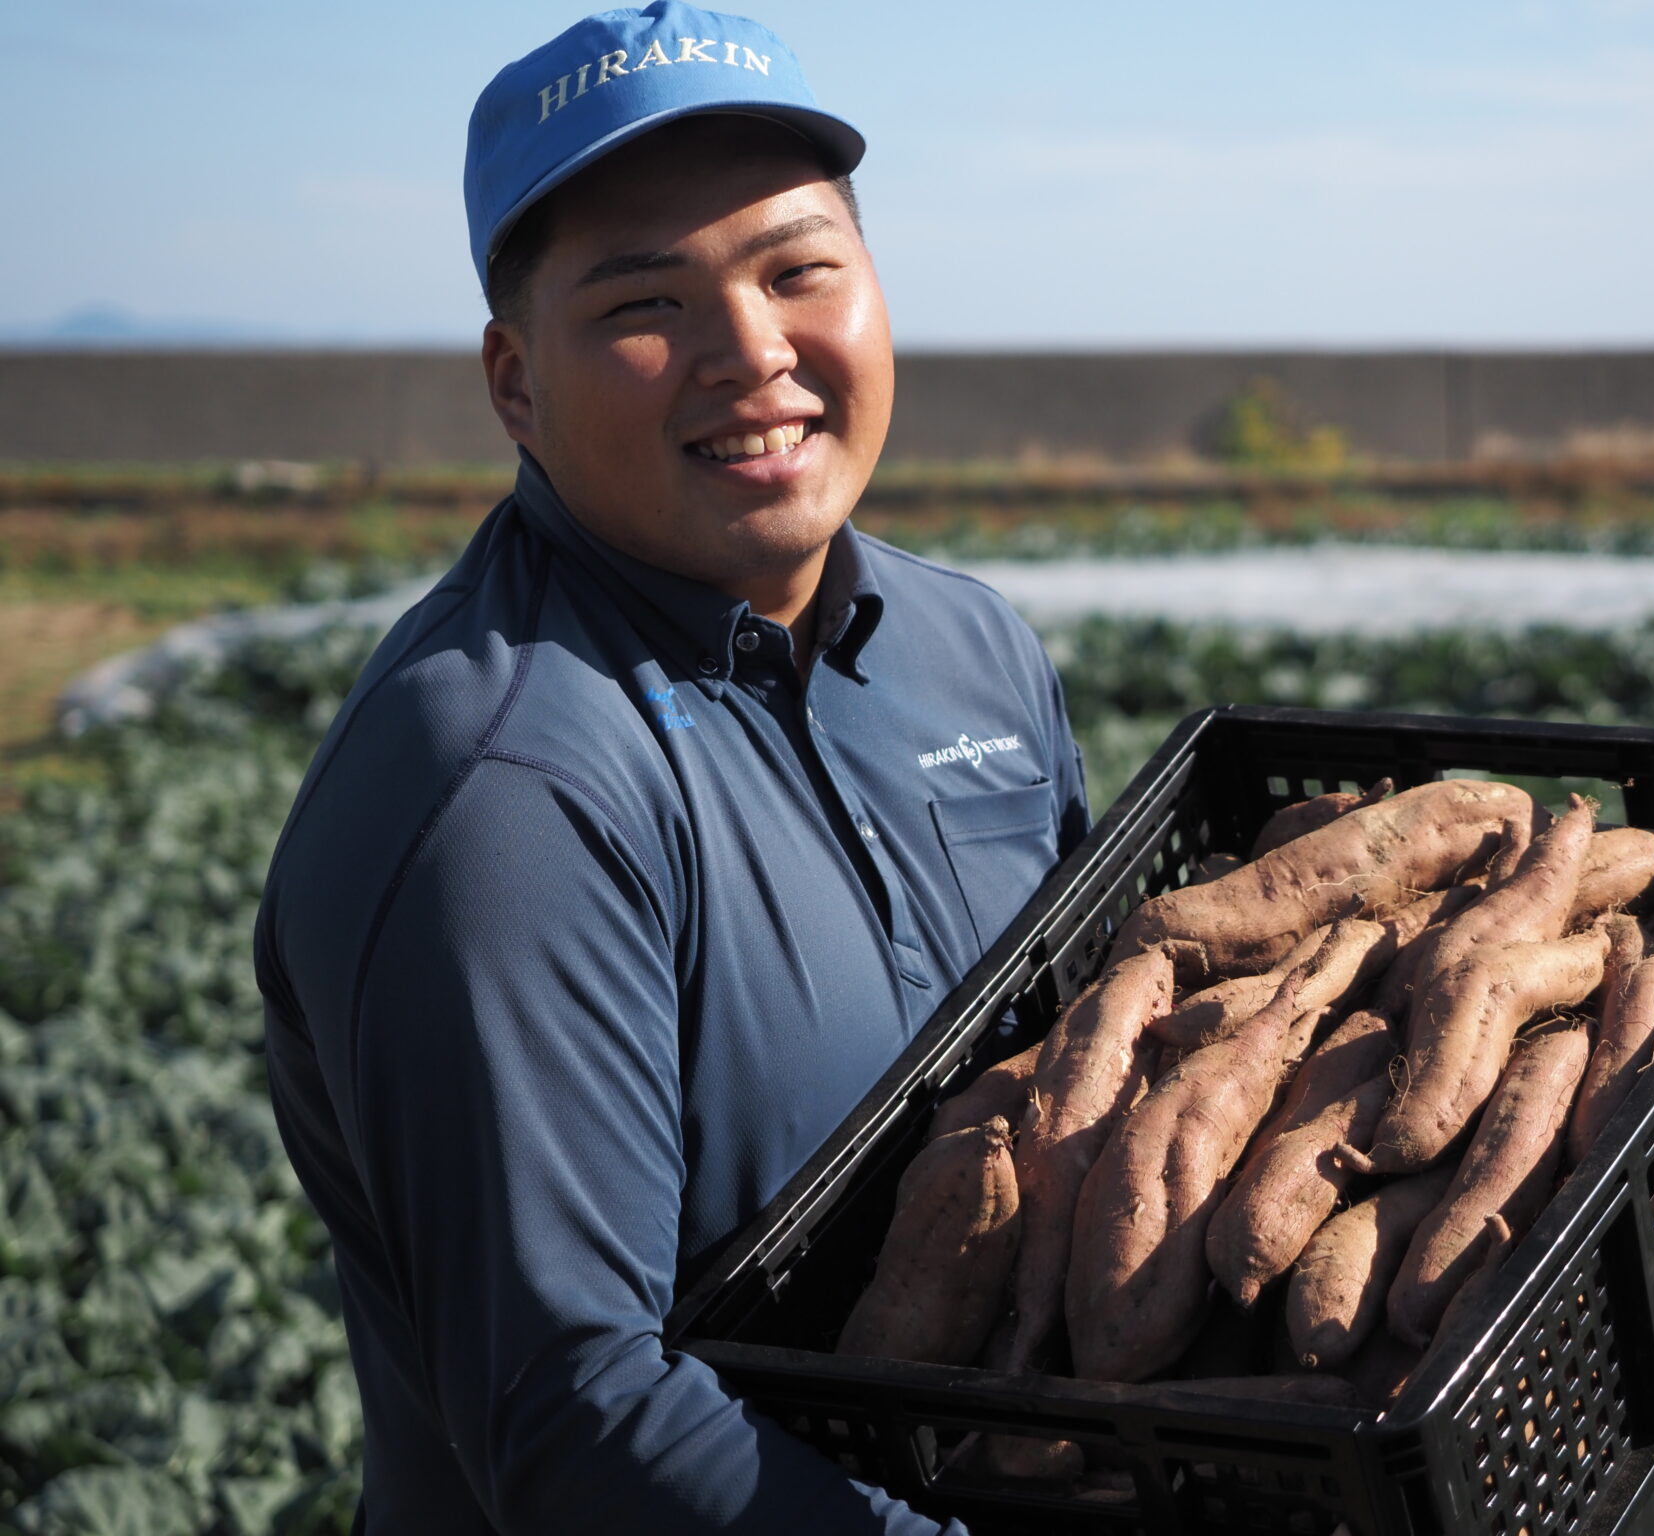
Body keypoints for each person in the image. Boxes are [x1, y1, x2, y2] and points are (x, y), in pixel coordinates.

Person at [254, 4, 1088, 1530]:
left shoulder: (973, 655)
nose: (754, 354)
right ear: (515, 383)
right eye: (649, 303)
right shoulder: (502, 787)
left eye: (798, 269)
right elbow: (577, 1418)